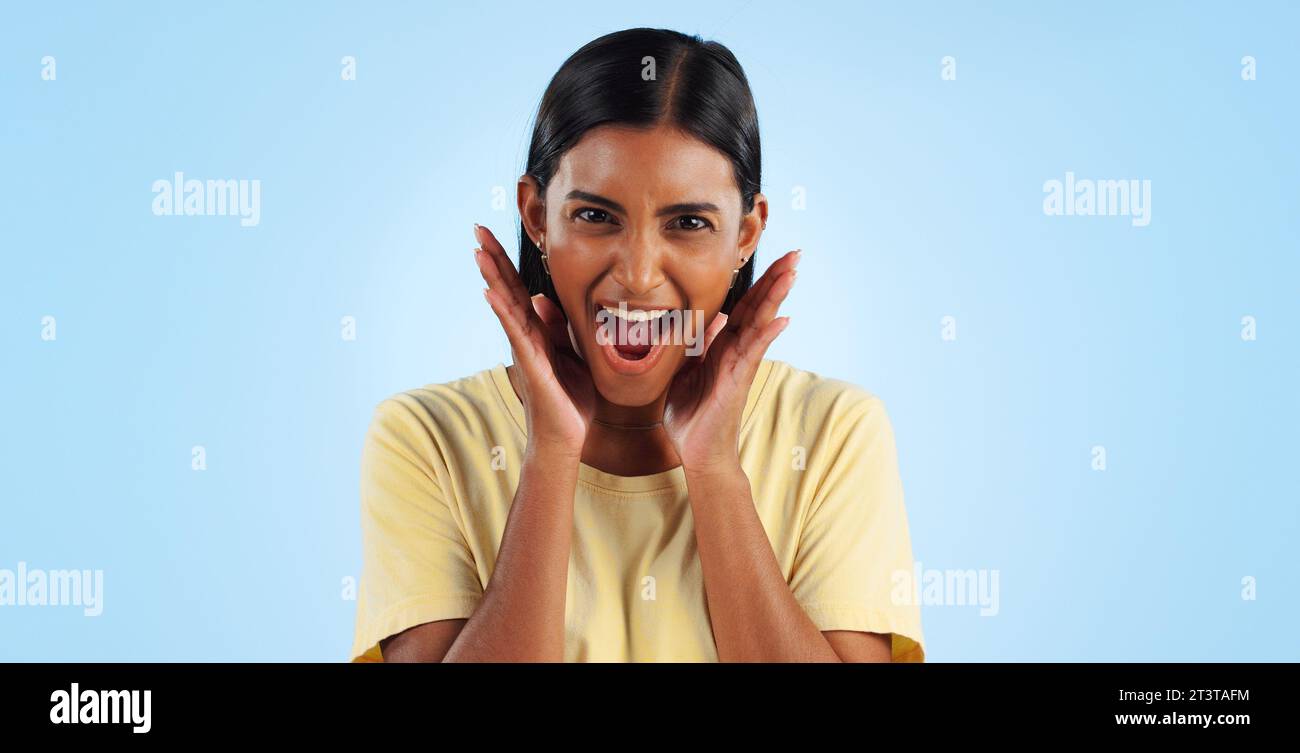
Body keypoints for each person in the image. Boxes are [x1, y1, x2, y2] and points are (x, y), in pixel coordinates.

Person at [350, 27, 924, 662]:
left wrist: (715, 469)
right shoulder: (426, 438)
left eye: (688, 223)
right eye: (596, 216)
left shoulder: (833, 432)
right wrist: (548, 458)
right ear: (537, 216)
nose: (639, 274)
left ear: (746, 234)